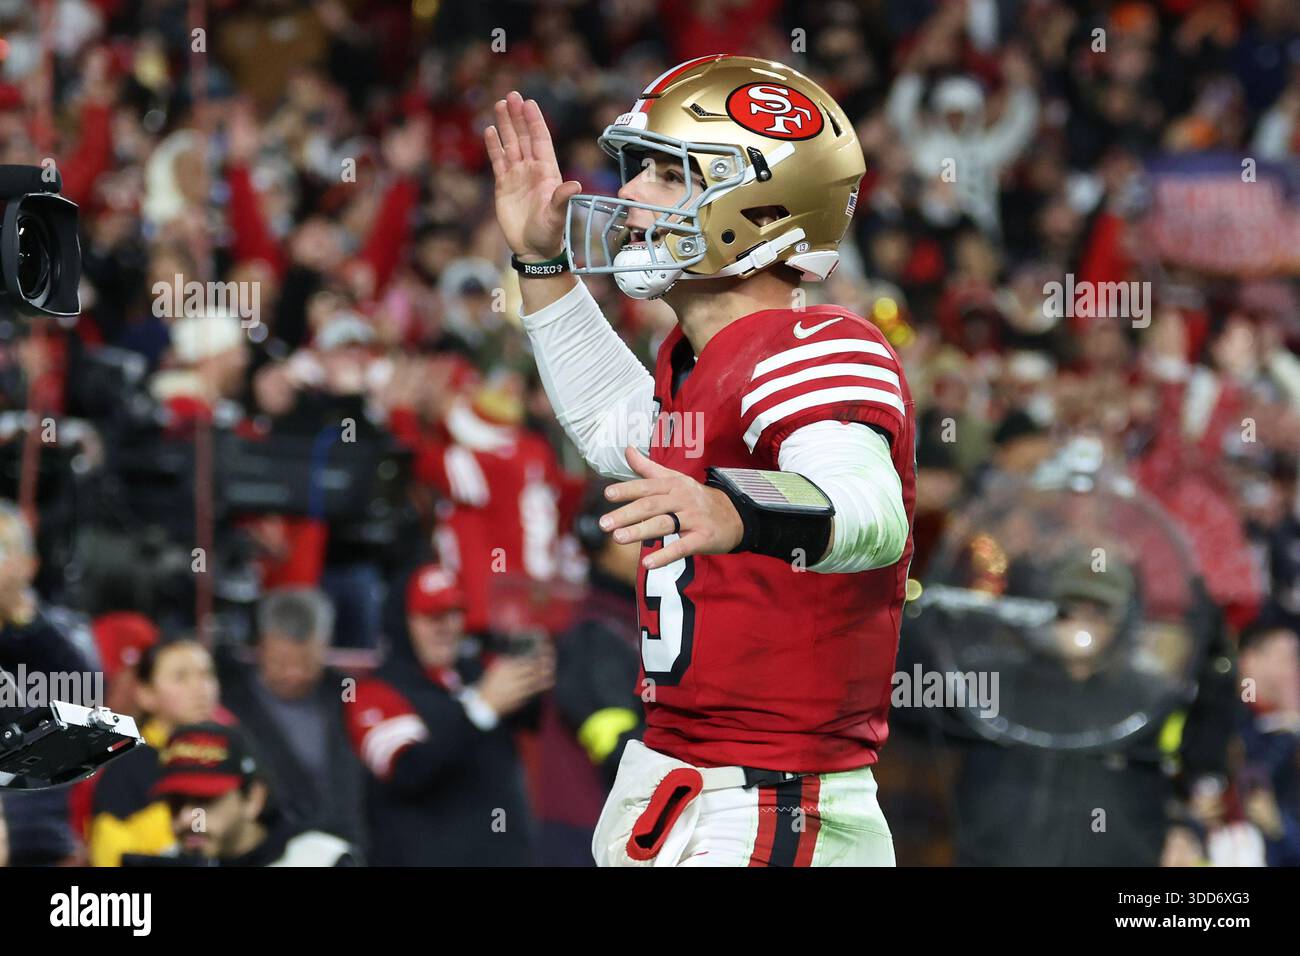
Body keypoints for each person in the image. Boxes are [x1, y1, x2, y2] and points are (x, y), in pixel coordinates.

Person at [485, 55, 915, 866]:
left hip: (774, 796)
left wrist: (737, 507)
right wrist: (542, 265)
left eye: (664, 172)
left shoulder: (814, 342)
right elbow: (616, 429)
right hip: (685, 780)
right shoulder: (696, 356)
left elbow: (870, 510)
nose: (632, 195)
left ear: (758, 203)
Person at [344, 563, 553, 865]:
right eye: (431, 617)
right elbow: (408, 771)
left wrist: (537, 674)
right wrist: (481, 709)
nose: (446, 627)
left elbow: (535, 723)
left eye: (454, 613)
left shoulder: (478, 672)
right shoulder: (373, 692)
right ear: (402, 623)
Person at [218, 587, 367, 850]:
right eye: (281, 662)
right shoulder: (228, 703)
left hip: (351, 847)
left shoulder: (348, 695)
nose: (293, 674)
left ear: (326, 646)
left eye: (307, 663)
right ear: (262, 646)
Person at [86, 637, 220, 866]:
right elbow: (110, 858)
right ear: (146, 694)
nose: (201, 688)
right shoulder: (125, 769)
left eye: (207, 674)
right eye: (181, 677)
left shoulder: (231, 753)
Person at [147, 722, 359, 867]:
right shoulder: (165, 862)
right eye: (176, 801)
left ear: (253, 798)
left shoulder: (321, 860)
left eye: (204, 800)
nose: (186, 818)